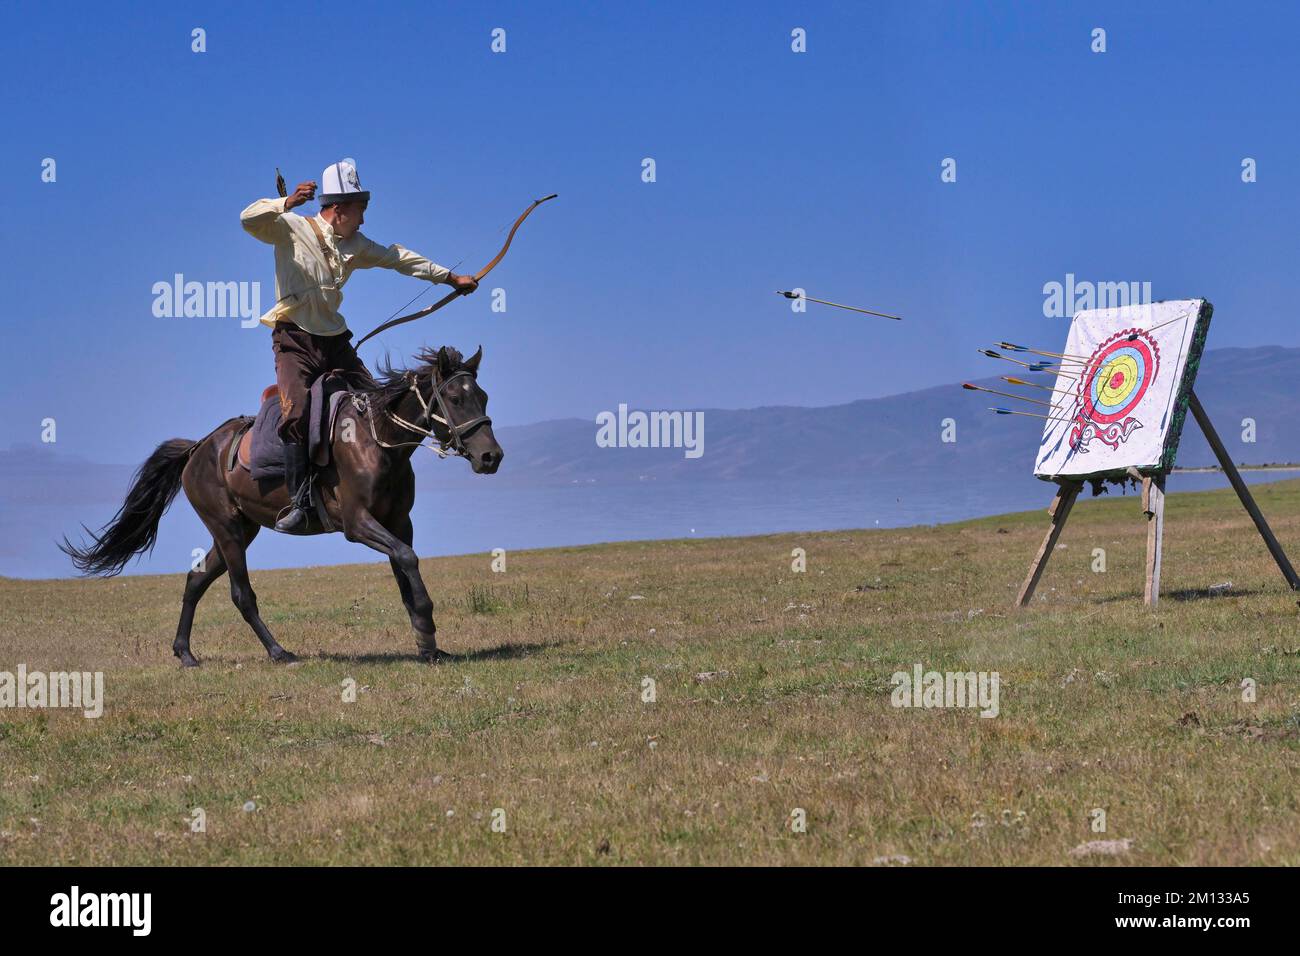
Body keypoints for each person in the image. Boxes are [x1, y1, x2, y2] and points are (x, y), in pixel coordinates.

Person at [240, 160, 478, 532]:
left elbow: (399, 258)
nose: (364, 221)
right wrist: (285, 202)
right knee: (297, 414)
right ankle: (300, 503)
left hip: (335, 342)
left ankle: (375, 486)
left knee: (377, 404)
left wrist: (449, 278)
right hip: (293, 341)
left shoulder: (355, 245)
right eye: (360, 212)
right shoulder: (290, 228)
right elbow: (248, 219)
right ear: (339, 210)